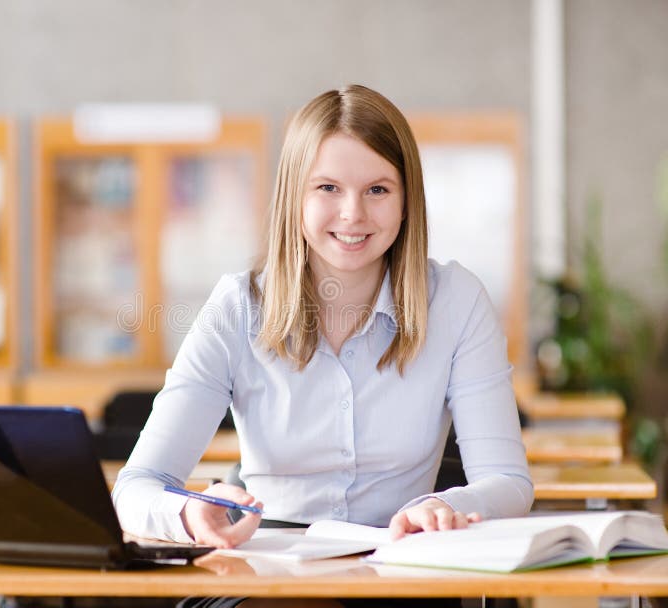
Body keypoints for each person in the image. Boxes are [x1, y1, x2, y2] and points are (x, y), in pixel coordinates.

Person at [112, 84, 533, 606]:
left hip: (402, 573)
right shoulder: (237, 307)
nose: (353, 214)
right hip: (262, 579)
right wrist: (187, 511)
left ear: (406, 201)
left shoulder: (456, 301)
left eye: (378, 189)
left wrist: (446, 506)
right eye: (328, 188)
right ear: (295, 197)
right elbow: (136, 488)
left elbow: (508, 481)